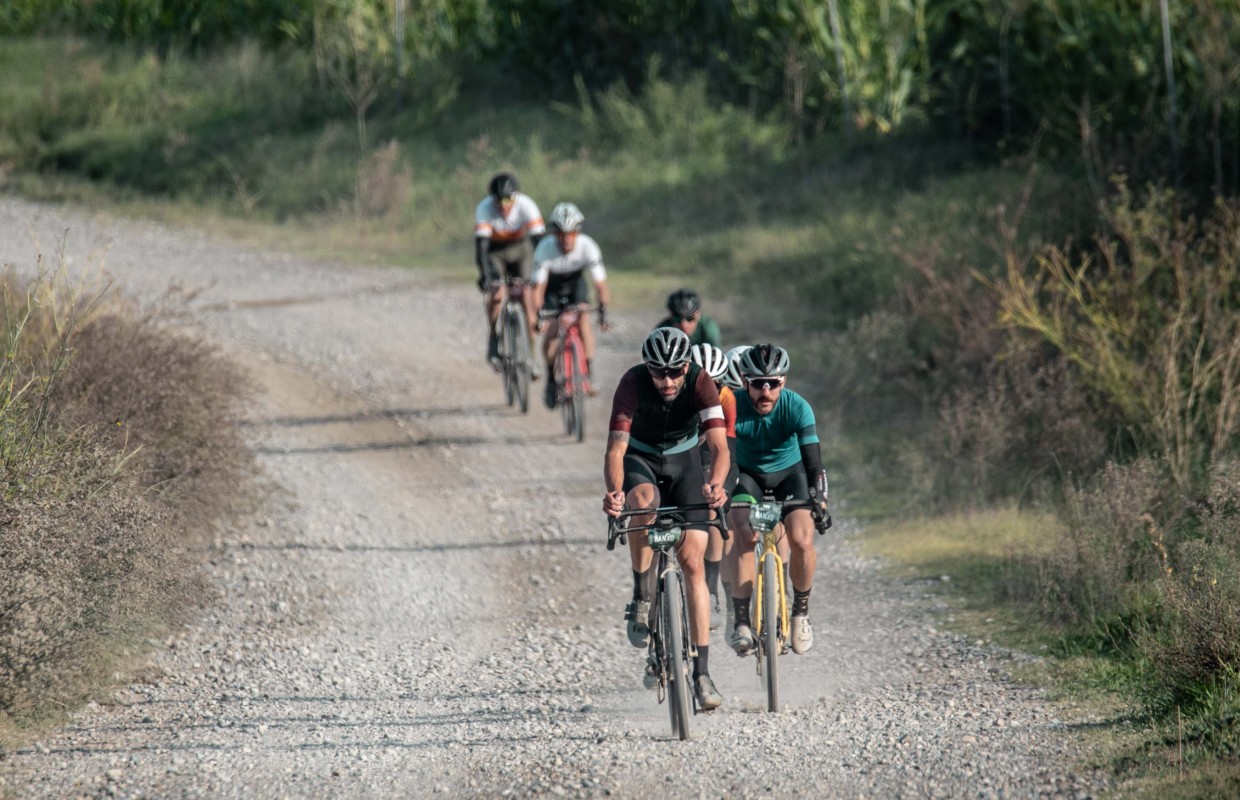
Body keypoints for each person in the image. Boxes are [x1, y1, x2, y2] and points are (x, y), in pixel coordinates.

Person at [603, 328, 731, 710]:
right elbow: (615, 450)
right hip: (640, 459)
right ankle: (642, 592)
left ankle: (703, 674)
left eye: (676, 371)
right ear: (648, 368)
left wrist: (718, 485)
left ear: (687, 366)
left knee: (693, 558)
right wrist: (613, 492)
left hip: (685, 462)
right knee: (642, 502)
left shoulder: (701, 382)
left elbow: (720, 447)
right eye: (659, 372)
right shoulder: (632, 383)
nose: (668, 380)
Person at [726, 344, 830, 657]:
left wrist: (820, 499)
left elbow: (814, 463)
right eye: (758, 383)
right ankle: (742, 622)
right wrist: (724, 495)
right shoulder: (731, 406)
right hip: (746, 475)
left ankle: (800, 613)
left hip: (790, 475)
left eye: (773, 382)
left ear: (783, 381)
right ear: (745, 381)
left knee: (802, 539)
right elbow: (725, 457)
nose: (765, 391)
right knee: (744, 533)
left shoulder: (798, 407)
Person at [529, 202, 611, 409]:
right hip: (552, 289)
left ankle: (588, 372)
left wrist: (603, 311)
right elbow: (537, 288)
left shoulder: (588, 246)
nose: (566, 239)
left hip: (576, 286)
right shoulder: (545, 248)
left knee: (583, 319)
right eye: (561, 234)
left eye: (570, 234)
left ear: (577, 233)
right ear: (554, 233)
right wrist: (538, 316)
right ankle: (550, 379)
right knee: (553, 330)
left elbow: (600, 284)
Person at [473, 172, 545, 370]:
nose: (503, 204)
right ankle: (494, 337)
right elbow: (481, 248)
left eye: (508, 199)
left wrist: (542, 273)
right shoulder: (484, 209)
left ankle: (530, 355)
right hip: (495, 253)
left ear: (516, 196)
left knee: (527, 297)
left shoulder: (527, 205)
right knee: (496, 295)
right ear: (491, 199)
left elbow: (540, 243)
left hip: (521, 251)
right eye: (498, 200)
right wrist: (485, 276)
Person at [689, 343, 737, 630]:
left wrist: (719, 486)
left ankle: (710, 588)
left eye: (715, 383)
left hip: (712, 449)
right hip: (678, 449)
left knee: (714, 508)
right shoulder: (677, 391)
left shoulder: (726, 398)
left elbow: (725, 449)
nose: (708, 387)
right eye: (701, 380)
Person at [654, 288, 722, 348]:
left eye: (690, 319)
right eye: (677, 319)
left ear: (698, 314)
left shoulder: (708, 326)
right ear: (670, 316)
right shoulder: (661, 330)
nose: (684, 324)